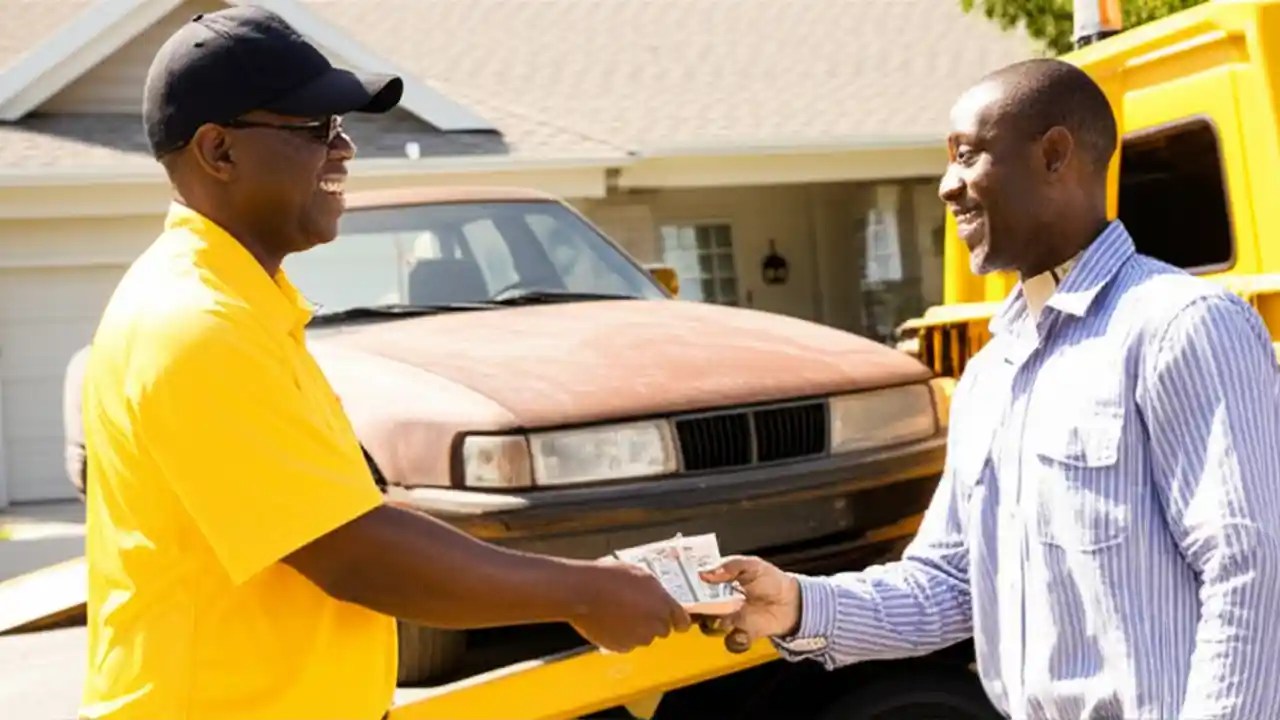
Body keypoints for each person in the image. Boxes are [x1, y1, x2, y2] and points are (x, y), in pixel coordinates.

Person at [78, 7, 689, 720]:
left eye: (341, 128)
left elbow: (347, 514)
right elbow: (352, 552)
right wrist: (584, 594)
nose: (343, 150)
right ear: (219, 151)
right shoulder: (196, 324)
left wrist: (584, 580)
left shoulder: (240, 304)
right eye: (315, 129)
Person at [702, 58, 1280, 719]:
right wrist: (797, 604)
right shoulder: (991, 372)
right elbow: (948, 584)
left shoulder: (1180, 327)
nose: (948, 186)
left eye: (968, 155)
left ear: (1054, 155)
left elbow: (1250, 568)